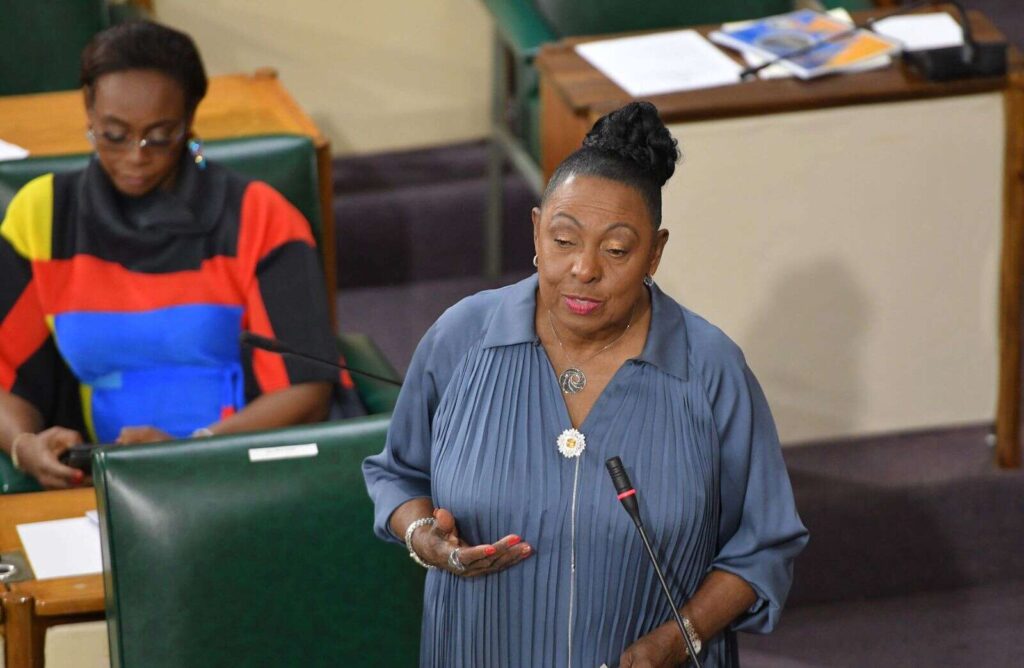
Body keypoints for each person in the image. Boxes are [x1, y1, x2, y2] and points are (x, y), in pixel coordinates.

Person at [363, 101, 808, 667]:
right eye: (564, 240)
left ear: (655, 253)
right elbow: (398, 473)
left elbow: (763, 543)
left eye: (616, 250)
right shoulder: (463, 337)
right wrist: (423, 535)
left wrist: (678, 640)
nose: (585, 269)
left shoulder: (709, 370)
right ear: (536, 230)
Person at [0, 21, 339, 490]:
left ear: (189, 118)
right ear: (89, 112)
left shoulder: (259, 216)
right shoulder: (43, 215)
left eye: (159, 136)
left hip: (244, 471)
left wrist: (190, 451)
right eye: (114, 134)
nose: (136, 156)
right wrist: (24, 443)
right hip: (97, 482)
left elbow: (307, 388)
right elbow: (4, 369)